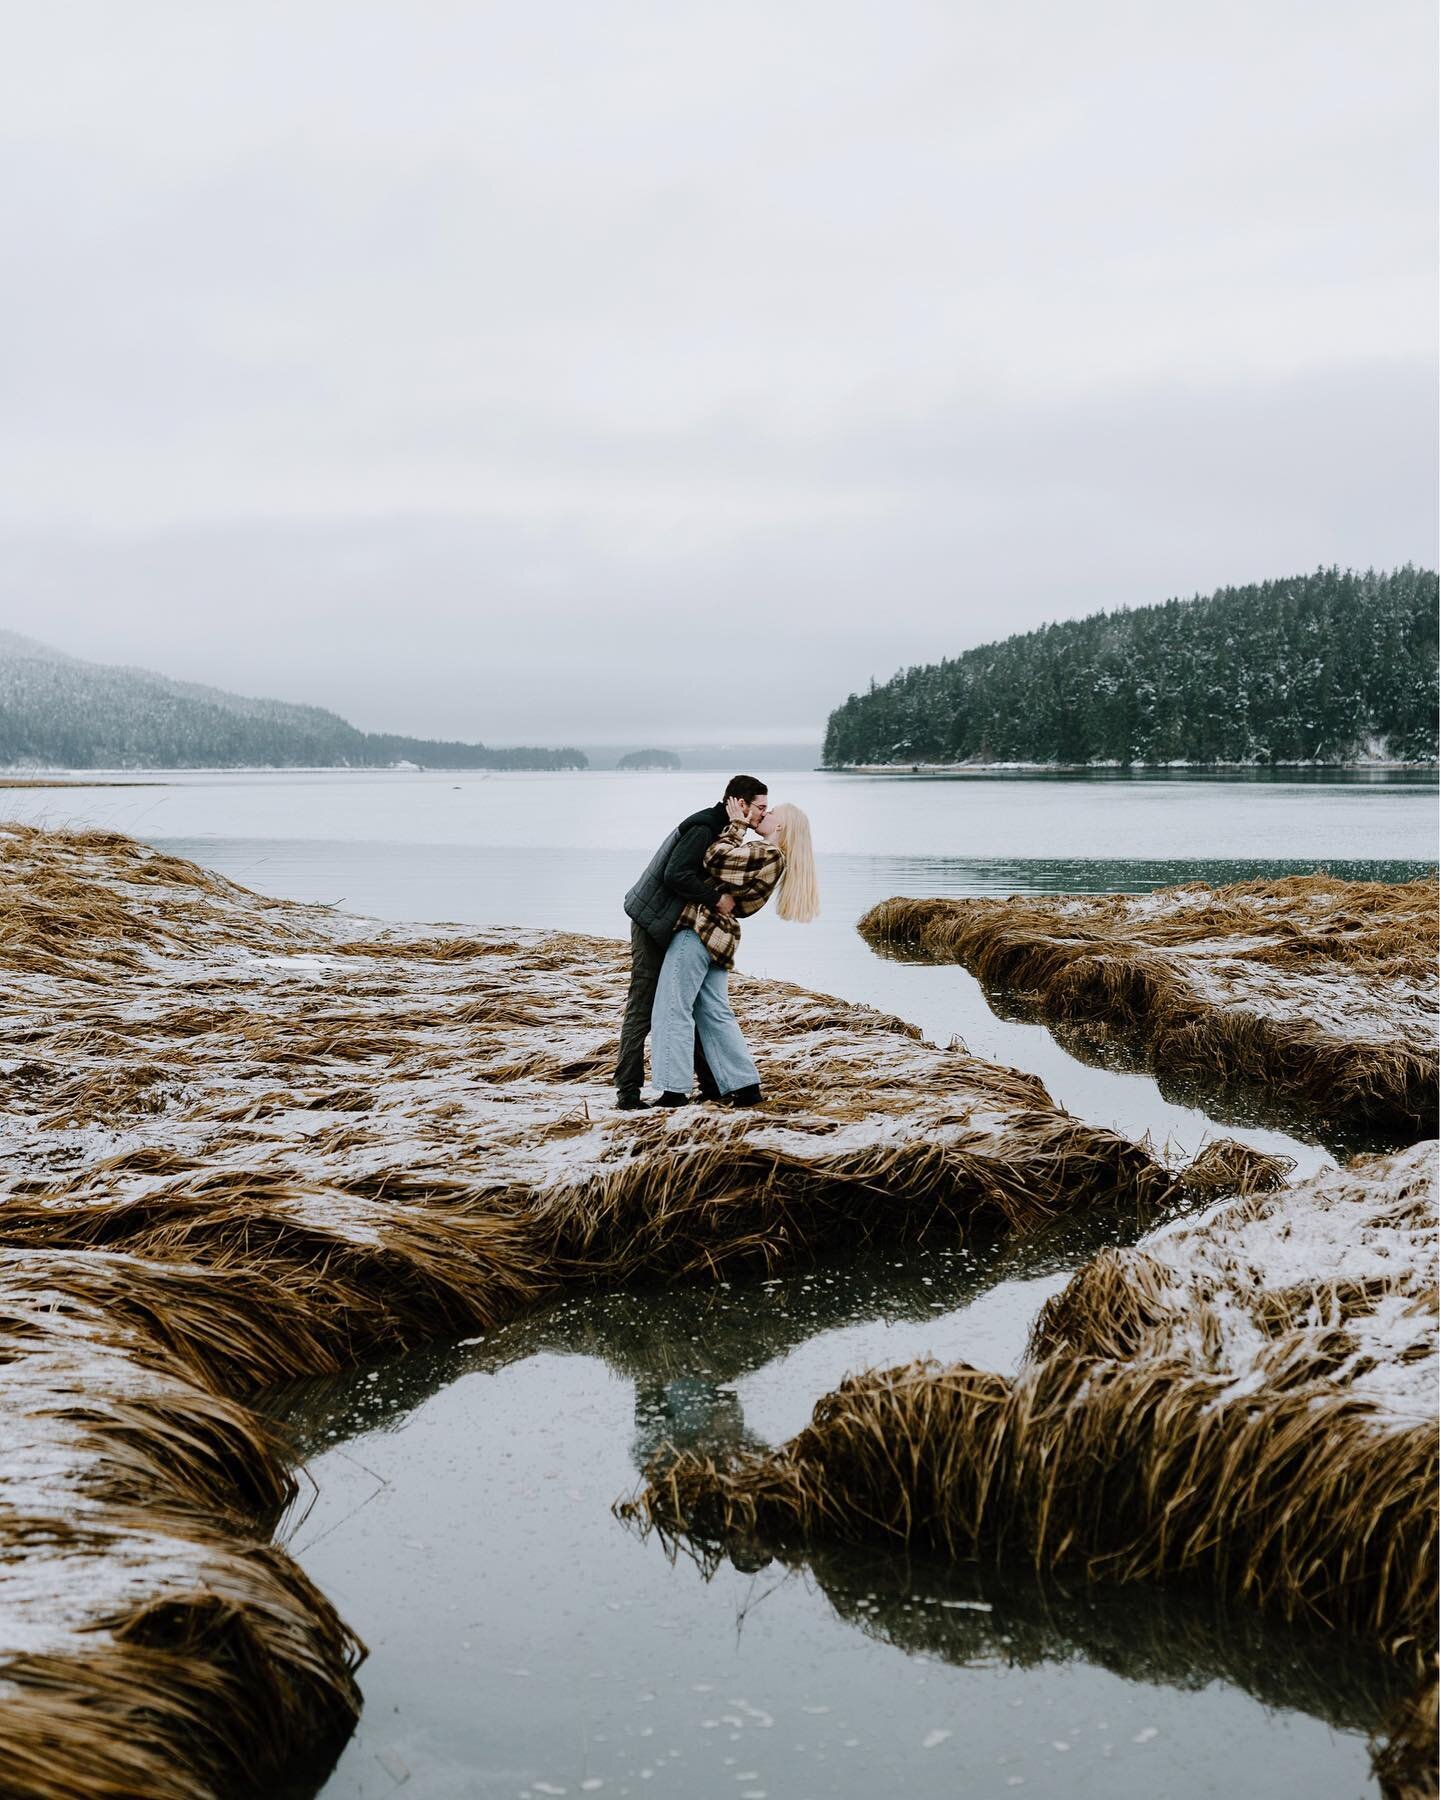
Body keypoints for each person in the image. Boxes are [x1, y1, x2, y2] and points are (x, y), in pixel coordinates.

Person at [648, 801, 819, 1107]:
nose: (762, 814)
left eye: (770, 813)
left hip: (699, 930)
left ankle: (674, 1091)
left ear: (781, 827)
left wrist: (736, 825)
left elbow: (715, 859)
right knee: (713, 1011)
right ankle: (744, 1085)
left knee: (672, 1006)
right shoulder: (769, 856)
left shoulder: (767, 853)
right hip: (718, 936)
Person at [615, 775, 770, 1110]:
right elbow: (676, 874)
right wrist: (716, 898)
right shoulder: (704, 827)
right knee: (644, 1006)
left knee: (693, 1004)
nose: (762, 814)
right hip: (652, 921)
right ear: (739, 804)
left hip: (674, 923)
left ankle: (711, 1084)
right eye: (759, 807)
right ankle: (627, 1092)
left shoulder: (724, 830)